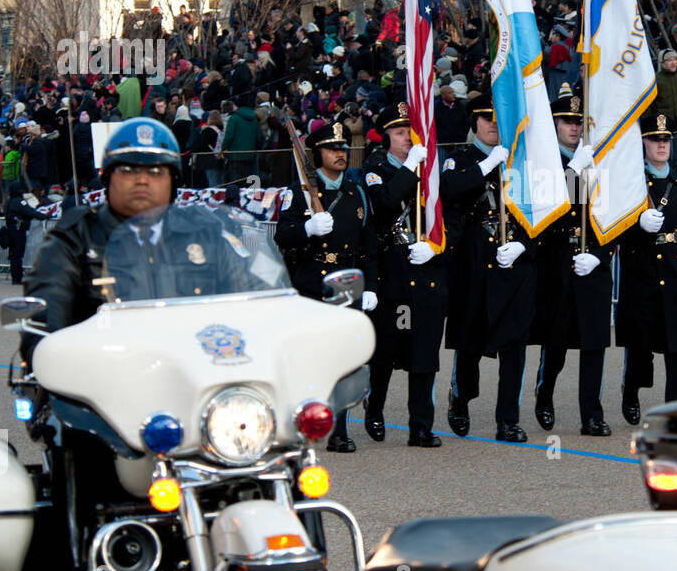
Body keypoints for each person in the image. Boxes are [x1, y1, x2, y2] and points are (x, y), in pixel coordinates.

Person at [22, 117, 265, 359]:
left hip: (189, 372)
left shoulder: (204, 232)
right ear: (108, 179)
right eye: (128, 170)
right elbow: (46, 308)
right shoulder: (76, 236)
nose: (142, 180)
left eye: (156, 171)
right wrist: (47, 352)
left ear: (173, 182)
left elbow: (255, 294)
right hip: (99, 373)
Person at [273, 119, 378, 453]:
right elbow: (282, 235)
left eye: (343, 149)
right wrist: (307, 228)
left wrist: (371, 284)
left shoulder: (354, 191)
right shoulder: (299, 192)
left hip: (347, 282)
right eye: (333, 149)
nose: (340, 154)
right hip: (311, 283)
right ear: (316, 154)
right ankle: (305, 422)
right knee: (311, 358)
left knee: (345, 357)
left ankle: (340, 428)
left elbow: (368, 243)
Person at [441, 91, 535, 442]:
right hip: (475, 264)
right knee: (469, 342)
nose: (493, 123)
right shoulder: (461, 159)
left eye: (497, 118)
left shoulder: (522, 161)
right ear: (474, 123)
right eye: (485, 118)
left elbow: (543, 214)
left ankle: (508, 419)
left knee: (515, 346)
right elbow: (449, 190)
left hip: (514, 264)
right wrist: (486, 165)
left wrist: (523, 245)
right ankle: (460, 399)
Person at [361, 103, 446, 448]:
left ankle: (421, 426)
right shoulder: (375, 169)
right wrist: (410, 167)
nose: (407, 139)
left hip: (425, 277)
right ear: (386, 138)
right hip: (395, 278)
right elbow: (386, 202)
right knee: (388, 352)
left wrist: (437, 246)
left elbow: (445, 214)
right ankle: (375, 408)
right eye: (399, 133)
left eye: (409, 132)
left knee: (424, 355)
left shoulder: (431, 171)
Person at [529, 87, 613, 435]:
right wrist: (572, 172)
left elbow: (613, 218)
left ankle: (591, 414)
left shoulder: (600, 162)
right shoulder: (544, 162)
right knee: (557, 341)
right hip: (559, 262)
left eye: (578, 121)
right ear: (554, 124)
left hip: (592, 261)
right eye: (566, 121)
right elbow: (550, 209)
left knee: (594, 343)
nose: (574, 127)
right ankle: (544, 394)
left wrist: (598, 255)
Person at [617, 114, 677, 422]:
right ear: (642, 142)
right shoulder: (630, 182)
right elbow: (611, 230)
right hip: (642, 273)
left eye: (665, 140)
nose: (661, 145)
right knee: (640, 346)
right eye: (654, 139)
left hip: (676, 273)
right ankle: (631, 392)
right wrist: (636, 226)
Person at [3, 181, 50, 286]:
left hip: (11, 229)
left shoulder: (9, 201)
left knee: (13, 254)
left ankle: (15, 277)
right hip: (18, 230)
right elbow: (29, 211)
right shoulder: (20, 202)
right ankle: (17, 278)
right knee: (17, 254)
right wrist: (44, 216)